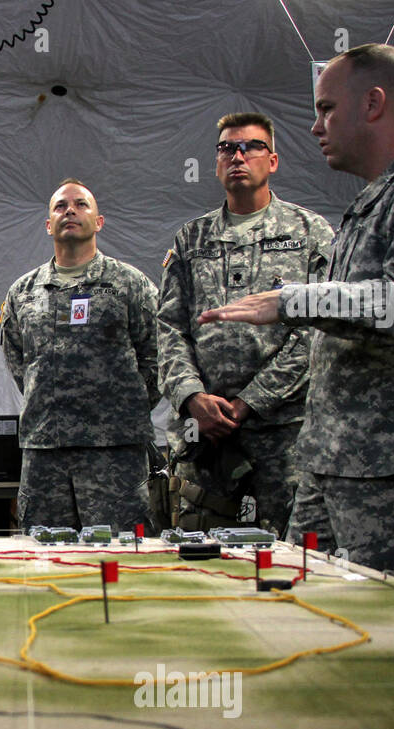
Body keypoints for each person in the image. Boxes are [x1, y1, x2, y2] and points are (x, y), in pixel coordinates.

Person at [199, 44, 394, 591]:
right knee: (312, 619)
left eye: (326, 109)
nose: (316, 126)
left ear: (373, 103)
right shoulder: (374, 202)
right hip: (335, 462)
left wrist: (298, 300)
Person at [157, 112, 334, 534]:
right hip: (203, 437)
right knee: (200, 555)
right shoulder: (191, 239)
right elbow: (169, 329)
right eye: (226, 148)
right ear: (217, 162)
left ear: (272, 160)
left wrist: (249, 401)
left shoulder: (310, 232)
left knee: (291, 558)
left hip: (282, 434)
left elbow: (318, 331)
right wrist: (192, 397)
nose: (237, 156)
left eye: (250, 146)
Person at [0, 179, 160, 532]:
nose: (69, 211)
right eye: (60, 206)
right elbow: (19, 361)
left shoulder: (129, 284)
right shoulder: (23, 292)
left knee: (119, 556)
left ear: (99, 222)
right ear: (48, 225)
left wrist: (122, 408)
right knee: (45, 559)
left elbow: (158, 355)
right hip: (45, 450)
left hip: (114, 449)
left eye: (81, 204)